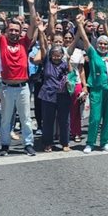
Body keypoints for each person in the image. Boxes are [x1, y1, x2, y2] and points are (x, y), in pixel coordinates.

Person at [0, 0, 38, 157]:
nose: (13, 32)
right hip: (6, 88)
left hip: (23, 87)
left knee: (26, 119)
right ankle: (5, 146)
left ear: (20, 32)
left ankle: (28, 144)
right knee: (5, 119)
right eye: (11, 30)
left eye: (16, 31)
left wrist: (31, 4)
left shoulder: (25, 43)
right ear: (7, 31)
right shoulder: (2, 41)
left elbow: (33, 23)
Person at [74, 14, 108, 153]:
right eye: (100, 43)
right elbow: (85, 40)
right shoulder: (93, 54)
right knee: (95, 118)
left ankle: (105, 142)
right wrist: (79, 25)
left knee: (107, 118)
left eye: (105, 44)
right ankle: (90, 143)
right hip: (96, 90)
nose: (102, 45)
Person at [35, 24, 72, 152]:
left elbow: (71, 73)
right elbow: (44, 46)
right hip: (47, 95)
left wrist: (68, 61)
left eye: (58, 55)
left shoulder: (64, 63)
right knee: (48, 120)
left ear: (62, 55)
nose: (56, 57)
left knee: (64, 120)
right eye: (54, 55)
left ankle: (65, 143)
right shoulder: (47, 62)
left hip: (63, 95)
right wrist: (41, 33)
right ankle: (47, 143)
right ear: (50, 55)